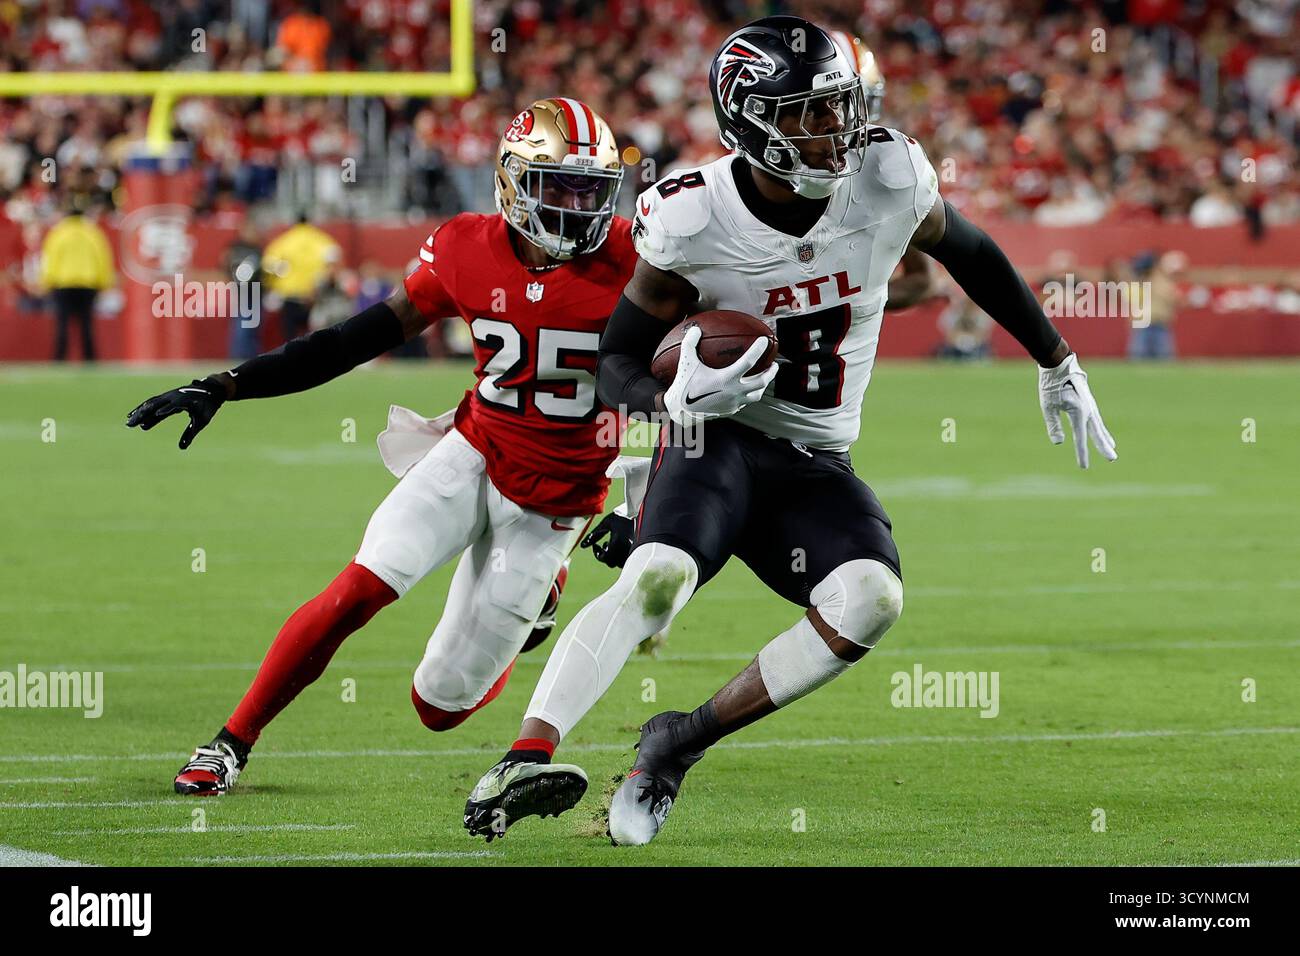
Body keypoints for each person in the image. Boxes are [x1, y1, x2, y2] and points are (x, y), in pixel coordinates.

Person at [463, 17, 1117, 845]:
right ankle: (527, 751)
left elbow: (972, 251)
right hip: (718, 441)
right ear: (748, 118)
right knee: (660, 575)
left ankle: (675, 744)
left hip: (816, 458)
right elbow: (615, 362)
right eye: (806, 113)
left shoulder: (887, 175)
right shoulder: (693, 216)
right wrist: (674, 408)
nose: (833, 130)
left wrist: (1057, 359)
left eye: (838, 107)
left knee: (873, 599)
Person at [125, 98, 637, 797]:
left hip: (558, 501)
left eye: (591, 188)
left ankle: (543, 592)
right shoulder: (465, 246)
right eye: (559, 185)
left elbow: (688, 390)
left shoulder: (642, 263)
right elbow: (352, 341)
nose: (578, 206)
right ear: (514, 182)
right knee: (358, 588)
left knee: (439, 707)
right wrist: (229, 384)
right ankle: (229, 742)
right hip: (474, 451)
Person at [39, 193, 115, 362]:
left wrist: (46, 281)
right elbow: (103, 258)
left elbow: (50, 258)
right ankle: (90, 359)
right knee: (87, 324)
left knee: (62, 324)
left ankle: (59, 359)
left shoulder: (58, 233)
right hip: (87, 284)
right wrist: (104, 283)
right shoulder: (93, 233)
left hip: (63, 283)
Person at [262, 212, 341, 342]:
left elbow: (269, 266)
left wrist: (274, 286)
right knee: (317, 334)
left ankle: (291, 360)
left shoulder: (283, 241)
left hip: (290, 294)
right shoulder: (322, 240)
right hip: (315, 295)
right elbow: (333, 266)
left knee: (290, 334)